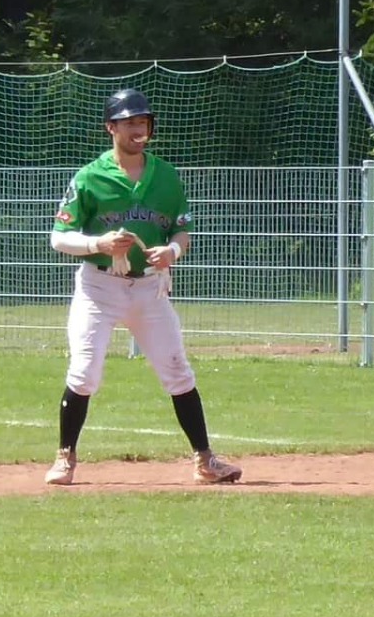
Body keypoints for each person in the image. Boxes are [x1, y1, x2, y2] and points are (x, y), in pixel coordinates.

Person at [44, 87, 241, 487]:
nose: (139, 129)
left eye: (143, 122)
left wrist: (171, 251)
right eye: (130, 122)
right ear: (110, 127)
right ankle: (65, 458)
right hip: (100, 287)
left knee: (178, 373)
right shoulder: (90, 177)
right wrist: (97, 244)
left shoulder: (165, 176)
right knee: (85, 373)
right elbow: (58, 237)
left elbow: (181, 232)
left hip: (149, 289)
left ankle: (205, 461)